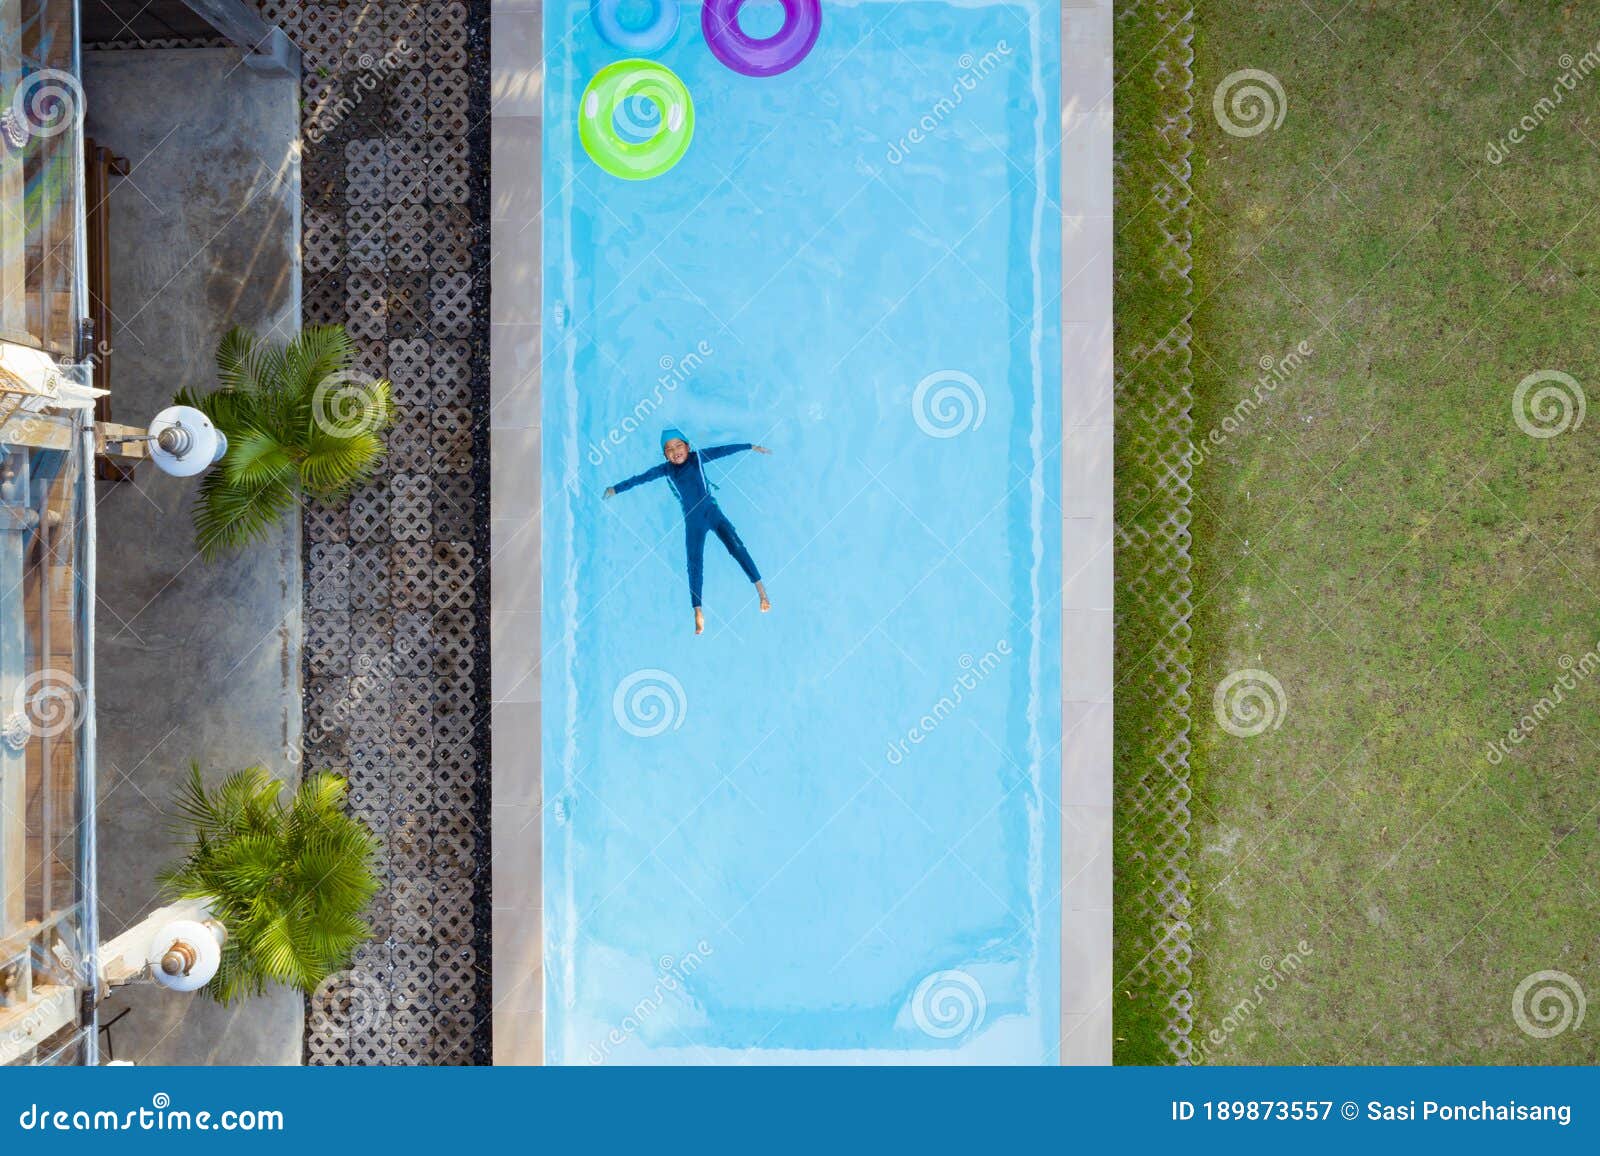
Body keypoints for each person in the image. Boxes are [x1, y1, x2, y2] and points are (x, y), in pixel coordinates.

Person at [604, 427, 772, 634]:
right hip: (693, 523)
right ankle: (698, 611)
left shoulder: (698, 458)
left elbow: (724, 450)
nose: (675, 451)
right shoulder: (666, 470)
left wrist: (749, 446)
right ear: (665, 455)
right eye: (669, 449)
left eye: (678, 445)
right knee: (694, 564)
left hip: (713, 513)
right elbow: (640, 478)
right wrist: (615, 489)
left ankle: (761, 593)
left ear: (688, 446)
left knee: (736, 547)